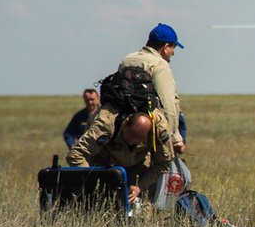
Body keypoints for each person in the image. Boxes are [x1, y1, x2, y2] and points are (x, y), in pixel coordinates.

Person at [66, 107, 175, 209]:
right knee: (103, 210)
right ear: (125, 123)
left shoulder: (159, 128)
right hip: (105, 168)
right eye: (130, 136)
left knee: (141, 211)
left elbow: (163, 163)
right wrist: (95, 183)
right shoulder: (106, 124)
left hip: (139, 169)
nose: (132, 142)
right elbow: (75, 155)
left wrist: (140, 186)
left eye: (138, 140)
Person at [120, 23, 185, 155]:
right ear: (166, 47)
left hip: (125, 129)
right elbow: (167, 104)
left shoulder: (127, 60)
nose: (173, 53)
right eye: (173, 48)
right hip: (152, 131)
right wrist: (174, 138)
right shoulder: (160, 65)